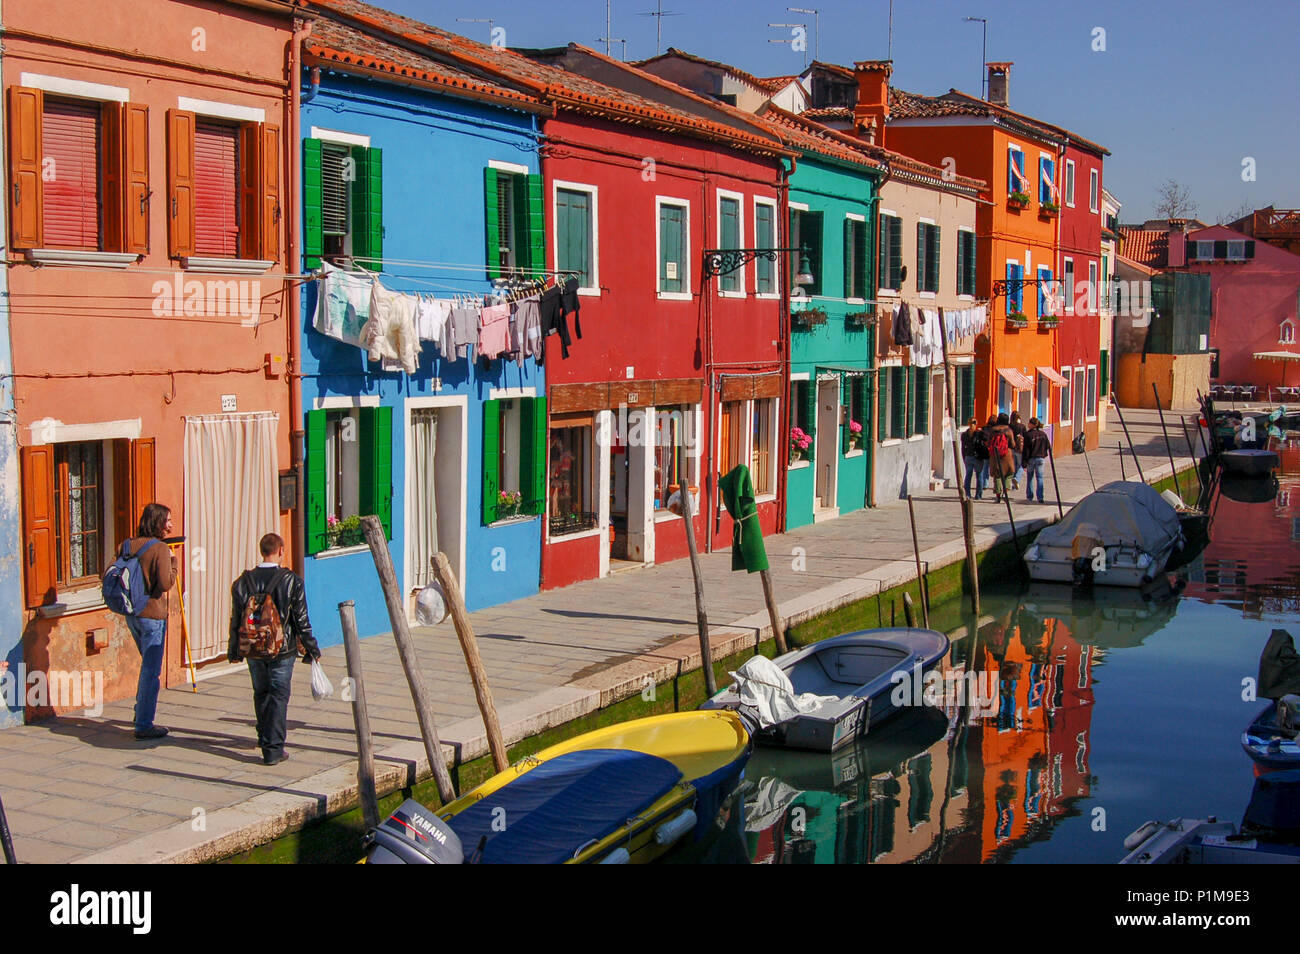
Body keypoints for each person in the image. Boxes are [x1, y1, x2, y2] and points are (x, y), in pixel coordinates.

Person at [228, 533, 321, 765]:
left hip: (253, 648)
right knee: (278, 696)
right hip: (282, 649)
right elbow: (301, 620)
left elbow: (236, 619)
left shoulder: (242, 582)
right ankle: (273, 750)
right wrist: (311, 648)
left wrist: (234, 650)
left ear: (262, 551)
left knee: (261, 692)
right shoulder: (292, 581)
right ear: (281, 550)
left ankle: (264, 737)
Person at [123, 503, 178, 740]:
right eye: (167, 521)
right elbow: (165, 583)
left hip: (131, 613)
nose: (170, 525)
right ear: (157, 523)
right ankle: (144, 724)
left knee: (147, 665)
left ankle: (140, 712)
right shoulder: (160, 549)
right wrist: (174, 562)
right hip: (152, 615)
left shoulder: (127, 545)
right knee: (151, 672)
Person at [988, 413, 1017, 503]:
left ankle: (997, 495)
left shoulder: (993, 430)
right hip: (1006, 455)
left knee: (997, 475)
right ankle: (1005, 493)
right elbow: (1012, 444)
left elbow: (989, 442)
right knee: (1009, 474)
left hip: (995, 455)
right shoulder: (1008, 430)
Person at [1023, 417, 1052, 503]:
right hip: (1041, 458)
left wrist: (1024, 461)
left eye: (1029, 423)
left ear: (1032, 424)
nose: (1028, 424)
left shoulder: (1028, 435)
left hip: (1031, 459)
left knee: (1030, 477)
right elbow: (1048, 446)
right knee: (1040, 477)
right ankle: (1040, 497)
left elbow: (1026, 450)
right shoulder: (1043, 434)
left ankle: (1030, 496)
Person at [961, 417, 988, 500]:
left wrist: (964, 457)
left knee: (968, 475)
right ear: (976, 424)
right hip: (977, 457)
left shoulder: (964, 434)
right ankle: (978, 495)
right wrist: (982, 431)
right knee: (979, 475)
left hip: (968, 457)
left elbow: (963, 447)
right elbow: (986, 438)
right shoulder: (978, 433)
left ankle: (967, 494)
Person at [1009, 411, 1027, 492]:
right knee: (1020, 466)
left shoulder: (1009, 426)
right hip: (1019, 449)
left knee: (1014, 466)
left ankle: (1013, 483)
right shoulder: (1022, 426)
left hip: (1011, 448)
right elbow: (1026, 438)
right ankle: (1016, 479)